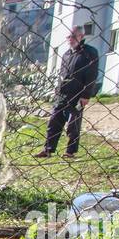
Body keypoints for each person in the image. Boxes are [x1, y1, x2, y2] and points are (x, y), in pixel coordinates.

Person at [33, 27, 100, 159]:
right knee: (53, 122)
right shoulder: (67, 54)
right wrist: (57, 90)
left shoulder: (89, 53)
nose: (71, 39)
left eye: (73, 36)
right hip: (62, 94)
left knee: (73, 125)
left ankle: (70, 151)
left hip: (77, 94)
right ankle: (48, 149)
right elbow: (62, 74)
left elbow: (92, 75)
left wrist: (86, 95)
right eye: (69, 37)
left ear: (81, 36)